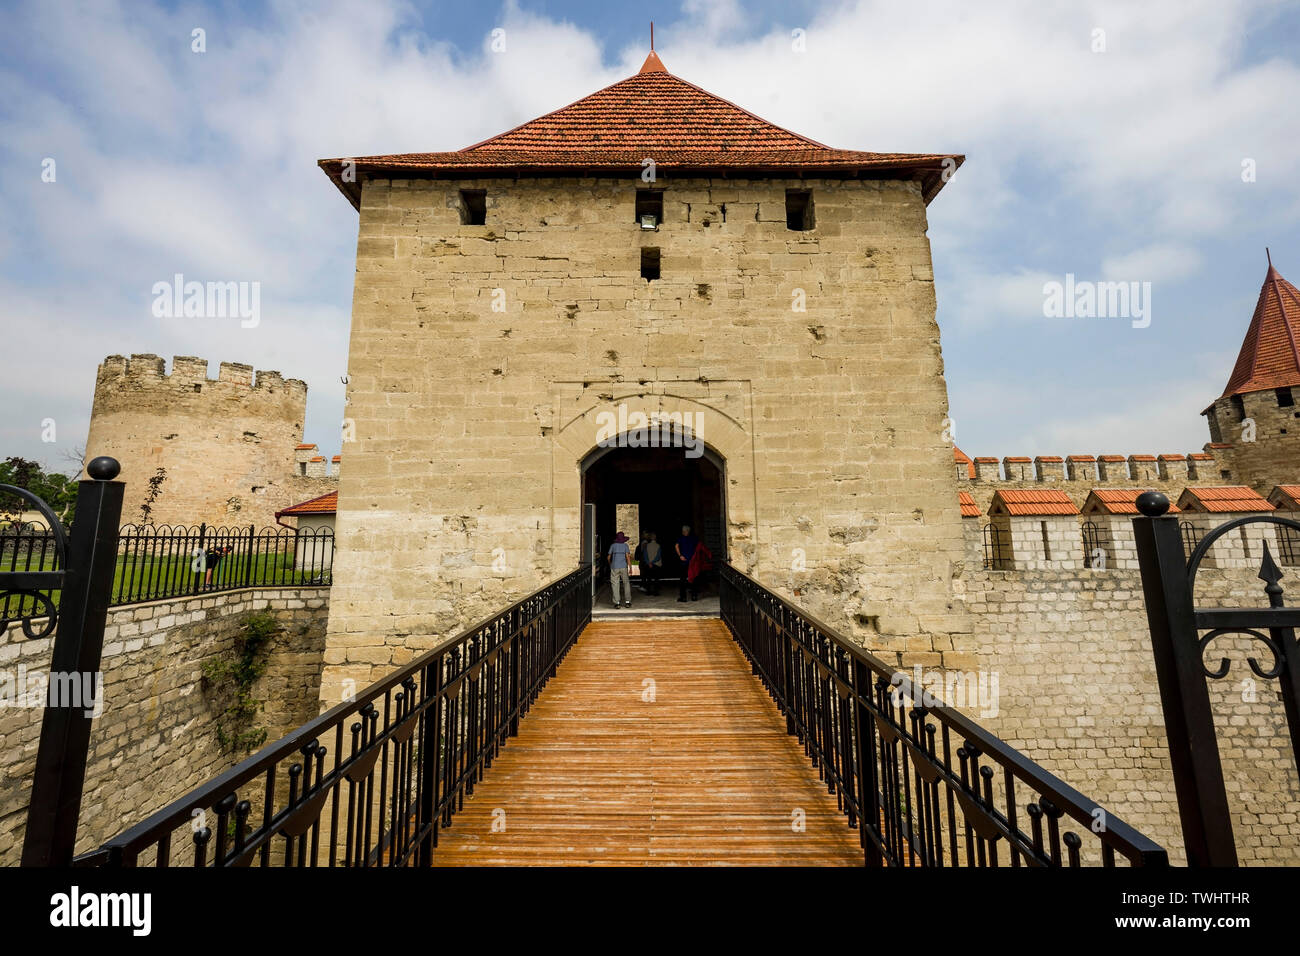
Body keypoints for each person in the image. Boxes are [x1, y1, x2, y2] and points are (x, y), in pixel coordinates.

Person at [607, 531, 633, 609]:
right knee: (626, 583)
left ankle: (617, 603)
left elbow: (608, 557)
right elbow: (628, 557)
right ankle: (628, 602)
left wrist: (610, 564)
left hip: (614, 567)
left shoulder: (613, 546)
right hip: (624, 567)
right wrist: (630, 568)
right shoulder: (625, 546)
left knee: (615, 584)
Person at [675, 524, 699, 602]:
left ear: (684, 531)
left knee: (683, 580)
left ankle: (683, 597)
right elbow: (698, 548)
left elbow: (676, 546)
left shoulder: (681, 538)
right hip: (692, 561)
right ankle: (694, 596)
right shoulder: (693, 538)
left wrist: (680, 555)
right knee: (693, 578)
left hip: (684, 561)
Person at [642, 531, 662, 596]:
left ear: (650, 538)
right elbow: (658, 556)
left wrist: (649, 562)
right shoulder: (658, 546)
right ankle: (656, 592)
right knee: (656, 579)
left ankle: (648, 592)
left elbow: (645, 555)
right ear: (655, 538)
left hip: (648, 565)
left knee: (649, 578)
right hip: (656, 564)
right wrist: (652, 562)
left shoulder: (646, 546)